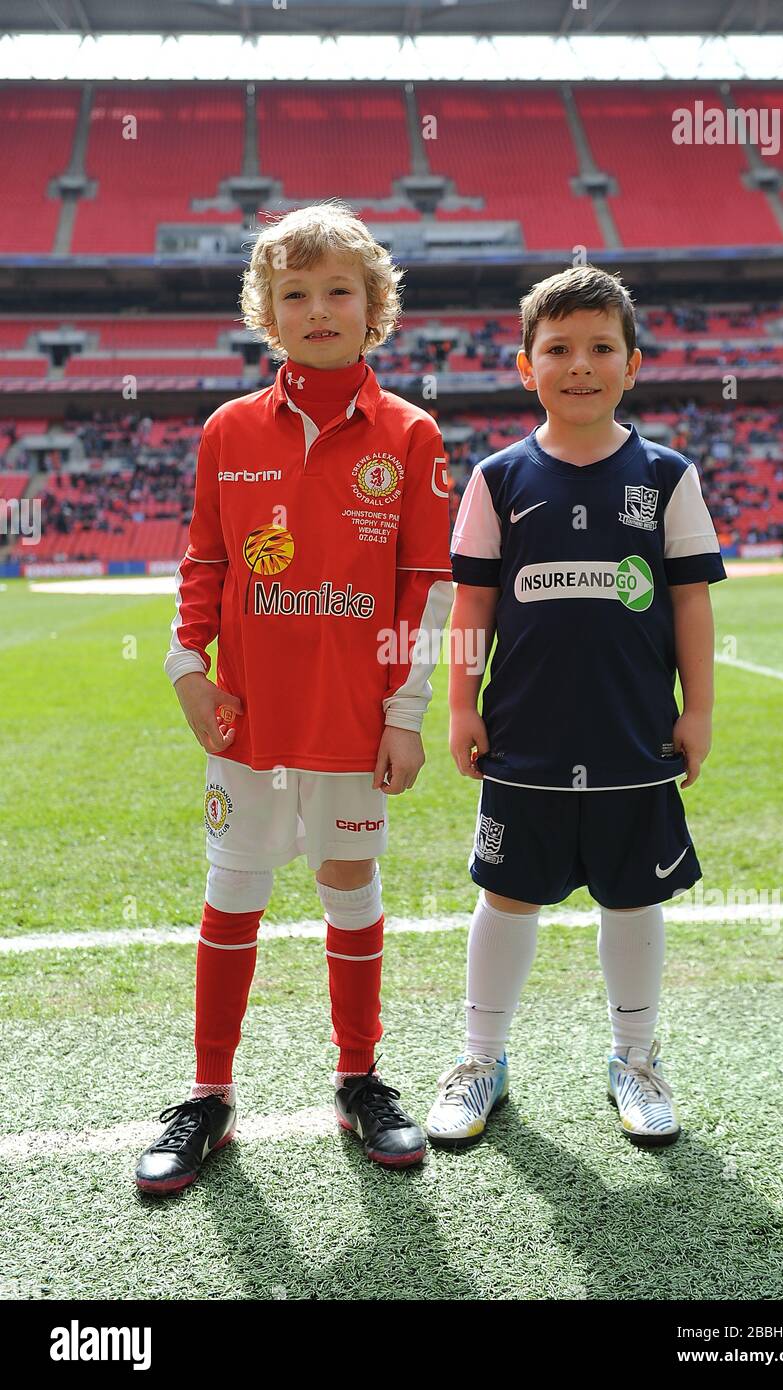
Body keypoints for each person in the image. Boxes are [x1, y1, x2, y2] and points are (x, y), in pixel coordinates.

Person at [135, 201, 453, 1193]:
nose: (318, 309)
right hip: (250, 719)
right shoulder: (228, 430)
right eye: (295, 294)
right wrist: (188, 671)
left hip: (354, 724)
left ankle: (359, 1078)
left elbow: (426, 585)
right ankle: (209, 1095)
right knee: (233, 893)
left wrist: (404, 716)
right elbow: (205, 561)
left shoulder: (409, 434)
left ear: (375, 307)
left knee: (350, 892)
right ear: (268, 314)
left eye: (338, 291)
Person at [425, 264, 726, 1150]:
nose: (580, 365)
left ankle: (634, 1060)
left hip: (634, 734)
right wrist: (460, 705)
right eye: (558, 349)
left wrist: (697, 710)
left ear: (632, 365)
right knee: (507, 898)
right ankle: (483, 1060)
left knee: (633, 902)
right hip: (526, 736)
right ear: (526, 367)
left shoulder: (667, 476)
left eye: (601, 348)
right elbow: (473, 604)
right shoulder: (497, 477)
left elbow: (692, 604)